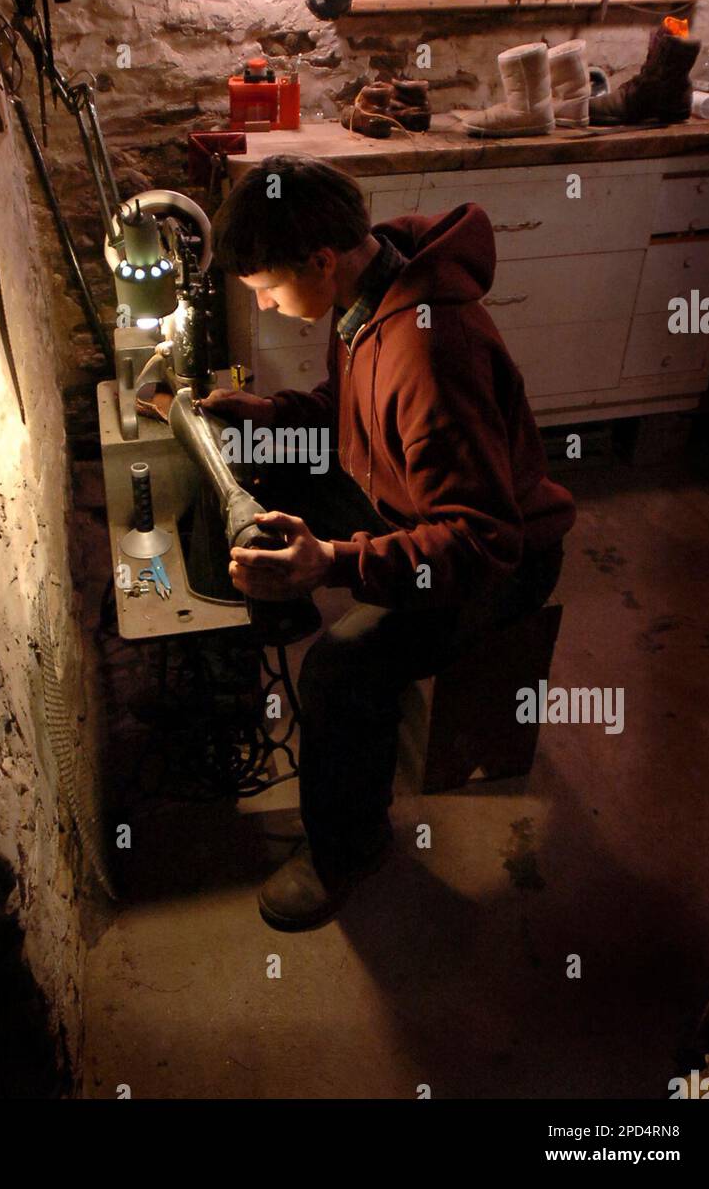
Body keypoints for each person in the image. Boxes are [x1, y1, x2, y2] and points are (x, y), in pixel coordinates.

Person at [202, 155, 577, 931]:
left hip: (496, 564)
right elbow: (351, 414)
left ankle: (347, 849)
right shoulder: (370, 293)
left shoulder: (433, 347)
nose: (269, 309)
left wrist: (335, 560)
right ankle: (273, 604)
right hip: (404, 507)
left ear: (321, 260)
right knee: (262, 467)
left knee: (341, 669)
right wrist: (272, 415)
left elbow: (480, 540)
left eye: (270, 289)